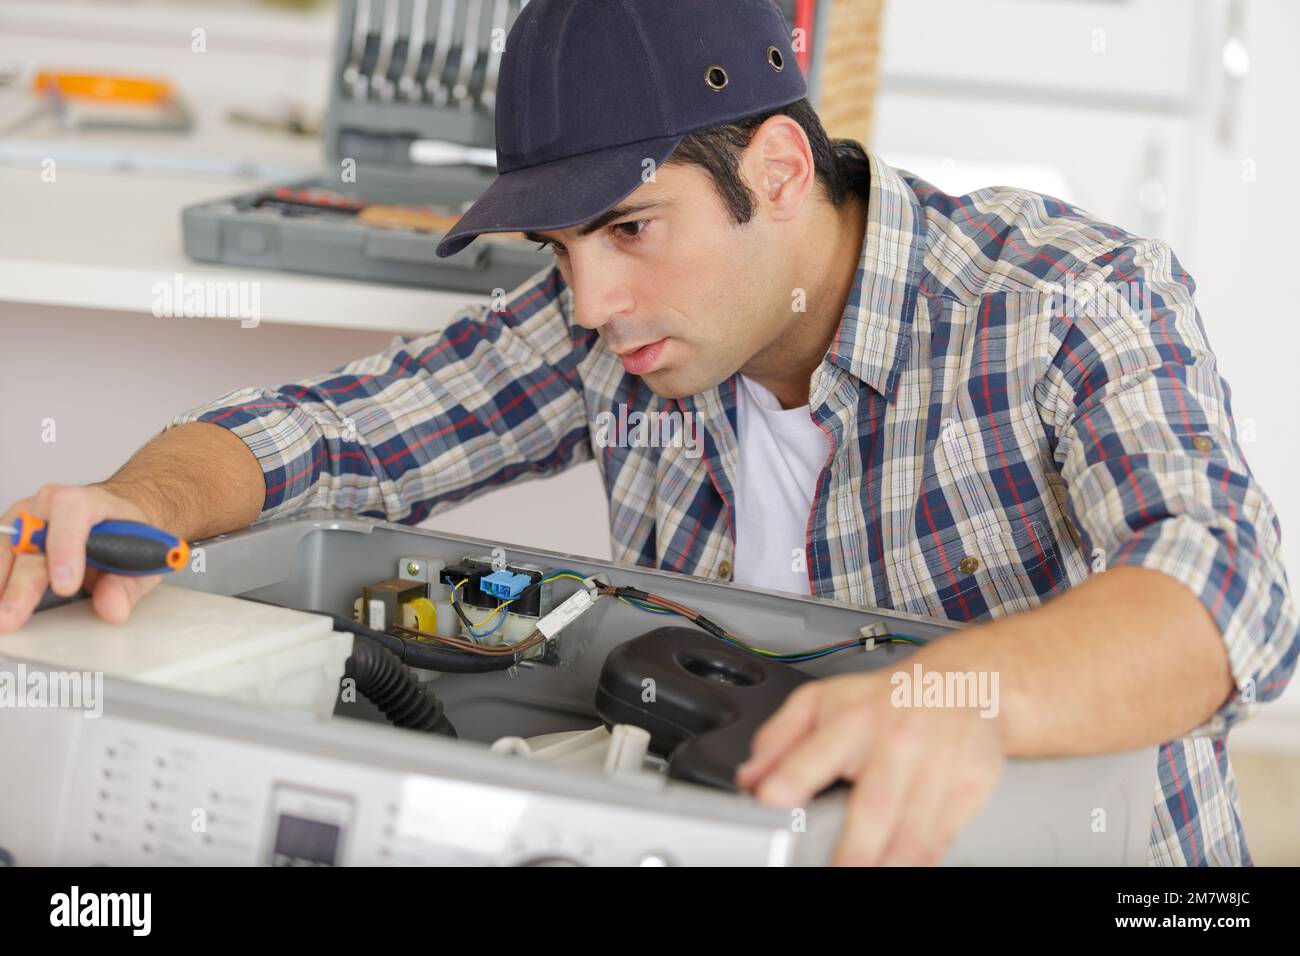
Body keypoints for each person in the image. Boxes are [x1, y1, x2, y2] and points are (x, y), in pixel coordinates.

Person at [2, 0, 1295, 866]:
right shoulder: (615, 321)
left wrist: (961, 697)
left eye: (628, 228)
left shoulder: (1071, 299)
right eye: (562, 246)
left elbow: (1231, 585)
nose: (588, 297)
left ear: (782, 172)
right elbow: (338, 433)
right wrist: (147, 499)